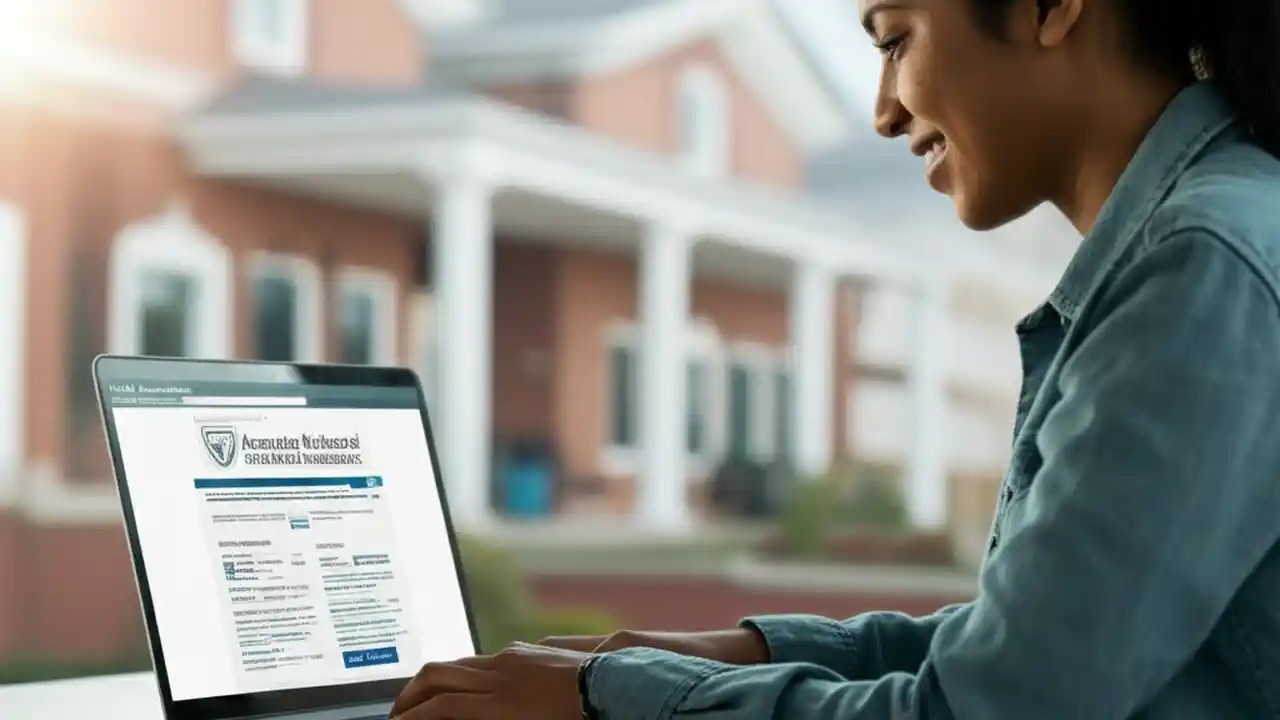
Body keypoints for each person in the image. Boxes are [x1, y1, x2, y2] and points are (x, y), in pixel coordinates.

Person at [390, 0, 1280, 716]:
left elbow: (988, 706)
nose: (885, 111)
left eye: (897, 40)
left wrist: (606, 701)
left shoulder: (1201, 267)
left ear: (1052, 9)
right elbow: (1026, 647)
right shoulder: (1212, 238)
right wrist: (689, 655)